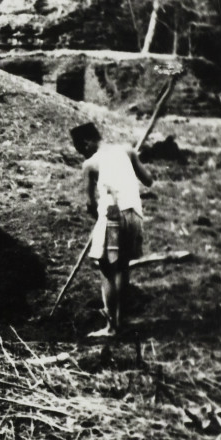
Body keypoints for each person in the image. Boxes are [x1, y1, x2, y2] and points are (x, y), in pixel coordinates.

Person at [71, 122, 155, 338]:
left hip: (113, 216)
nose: (82, 154)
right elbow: (149, 180)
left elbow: (90, 204)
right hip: (135, 215)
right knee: (122, 267)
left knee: (107, 270)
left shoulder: (90, 164)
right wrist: (136, 159)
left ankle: (111, 327)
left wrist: (99, 220)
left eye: (81, 149)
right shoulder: (127, 150)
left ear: (88, 142)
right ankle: (120, 321)